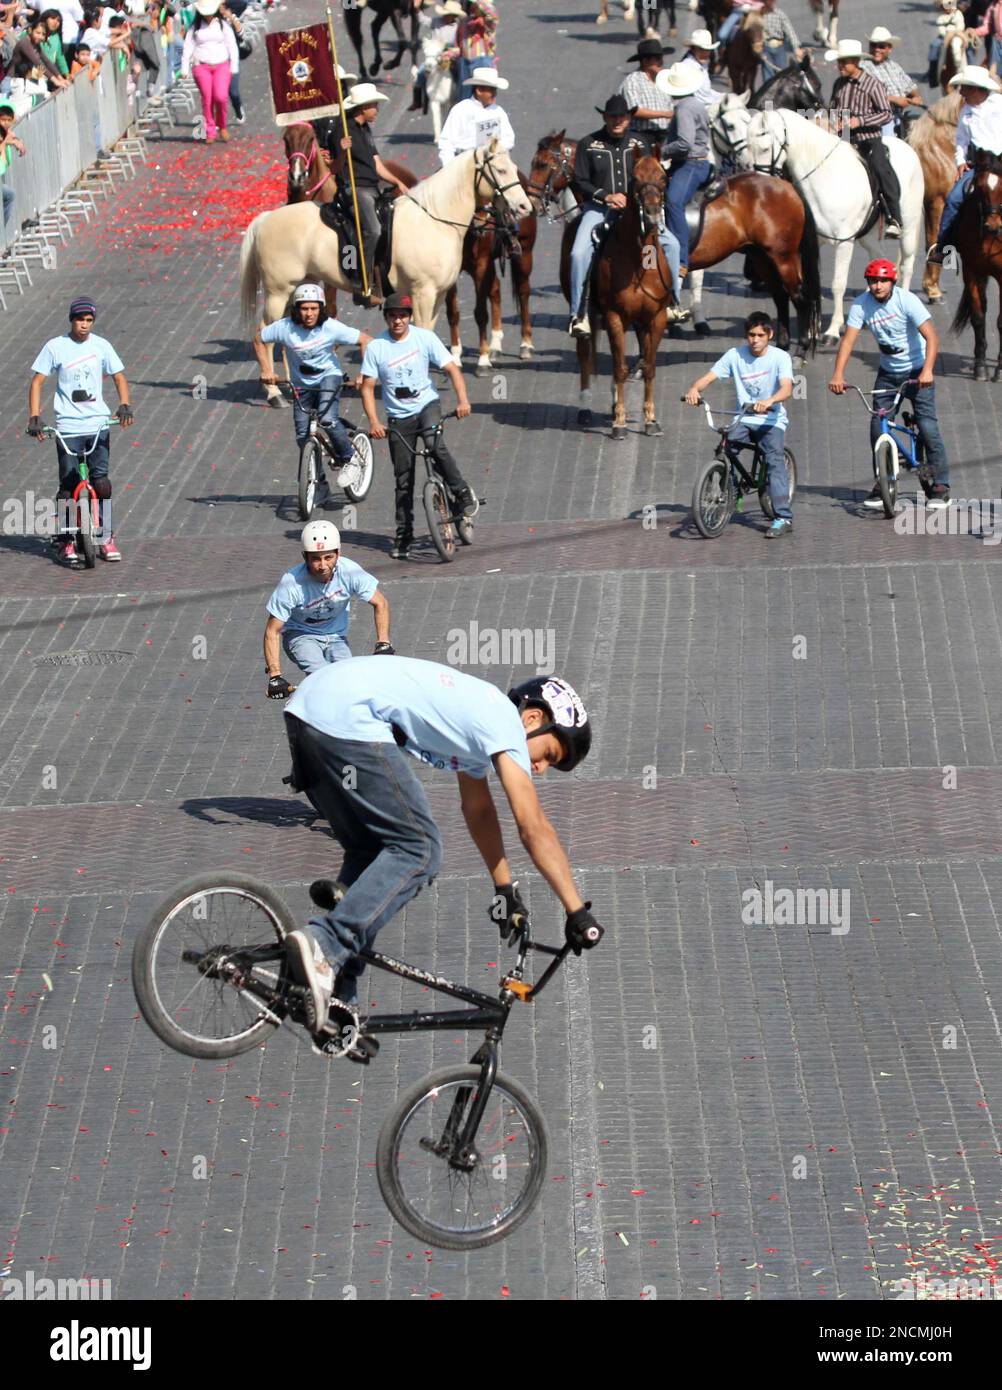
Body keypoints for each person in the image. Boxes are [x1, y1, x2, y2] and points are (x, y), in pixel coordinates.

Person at [282, 660, 601, 1036]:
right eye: (549, 754)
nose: (541, 769)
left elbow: (479, 809)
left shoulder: (479, 724)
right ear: (532, 719)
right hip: (346, 719)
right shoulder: (501, 719)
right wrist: (576, 911)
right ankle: (325, 944)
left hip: (310, 714)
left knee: (371, 855)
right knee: (420, 849)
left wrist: (505, 890)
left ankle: (332, 991)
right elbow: (533, 826)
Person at [359, 290, 477, 560]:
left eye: (402, 315)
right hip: (399, 418)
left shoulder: (424, 338)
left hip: (427, 407)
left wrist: (463, 400)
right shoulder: (377, 347)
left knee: (436, 446)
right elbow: (367, 387)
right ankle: (404, 535)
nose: (397, 321)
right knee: (403, 479)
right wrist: (375, 422)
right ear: (386, 318)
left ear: (410, 317)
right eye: (392, 316)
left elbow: (452, 369)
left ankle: (460, 491)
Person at [828, 258, 950, 510]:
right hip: (888, 373)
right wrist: (837, 374)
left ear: (892, 281)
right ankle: (882, 480)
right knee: (877, 426)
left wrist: (928, 370)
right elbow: (848, 341)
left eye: (883, 281)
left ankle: (940, 485)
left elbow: (932, 338)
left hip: (917, 372)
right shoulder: (862, 305)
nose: (878, 286)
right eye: (873, 281)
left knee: (927, 426)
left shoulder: (907, 300)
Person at [27, 297, 133, 565]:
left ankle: (106, 536)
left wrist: (124, 405)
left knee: (102, 483)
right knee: (67, 488)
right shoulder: (56, 347)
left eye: (88, 321)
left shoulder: (102, 346)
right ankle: (65, 540)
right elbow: (38, 381)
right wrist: (35, 417)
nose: (84, 325)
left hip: (97, 425)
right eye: (79, 320)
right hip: (68, 429)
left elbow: (119, 376)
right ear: (71, 320)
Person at [253, 283, 372, 501]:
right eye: (304, 308)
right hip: (301, 384)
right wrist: (266, 370)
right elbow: (259, 339)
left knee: (327, 420)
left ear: (321, 308)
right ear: (297, 309)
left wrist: (365, 374)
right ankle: (321, 485)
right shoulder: (285, 327)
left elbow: (365, 340)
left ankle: (351, 458)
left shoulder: (331, 327)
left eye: (314, 308)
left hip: (329, 377)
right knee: (302, 435)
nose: (309, 314)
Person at [684, 310, 795, 538]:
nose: (754, 340)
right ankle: (731, 490)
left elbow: (787, 388)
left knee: (774, 462)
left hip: (771, 420)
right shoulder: (735, 355)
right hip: (744, 418)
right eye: (751, 335)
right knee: (726, 448)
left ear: (769, 335)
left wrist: (770, 400)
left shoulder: (780, 357)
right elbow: (709, 377)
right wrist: (695, 389)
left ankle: (783, 517)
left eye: (760, 335)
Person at [264, 521, 392, 695]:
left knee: (347, 677)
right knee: (322, 676)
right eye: (316, 559)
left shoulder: (350, 572)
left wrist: (383, 642)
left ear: (338, 554)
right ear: (305, 557)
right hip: (301, 635)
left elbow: (380, 603)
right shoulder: (291, 583)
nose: (323, 566)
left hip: (336, 636)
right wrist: (275, 675)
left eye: (328, 557)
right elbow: (272, 631)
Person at [321, 83, 411, 309]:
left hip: (373, 187)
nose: (377, 110)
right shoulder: (342, 130)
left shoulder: (365, 130)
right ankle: (361, 284)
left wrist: (397, 181)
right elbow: (334, 168)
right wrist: (341, 151)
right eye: (374, 105)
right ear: (362, 108)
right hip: (355, 188)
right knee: (373, 230)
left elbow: (376, 164)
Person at [568, 93, 650, 338]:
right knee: (578, 252)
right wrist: (606, 196)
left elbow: (648, 176)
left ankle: (669, 302)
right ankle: (578, 313)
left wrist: (633, 199)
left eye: (622, 117)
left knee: (663, 245)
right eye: (612, 117)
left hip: (634, 211)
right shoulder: (588, 144)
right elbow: (580, 180)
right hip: (599, 209)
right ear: (604, 117)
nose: (617, 121)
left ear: (628, 118)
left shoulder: (640, 143)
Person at [927, 65, 1002, 264]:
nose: (961, 92)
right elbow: (961, 141)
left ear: (976, 89)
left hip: (1001, 162)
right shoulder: (966, 112)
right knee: (953, 200)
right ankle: (944, 247)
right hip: (979, 165)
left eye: (965, 88)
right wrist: (960, 162)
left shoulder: (1000, 105)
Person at [827, 39, 902, 238]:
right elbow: (833, 110)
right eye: (839, 62)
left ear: (855, 62)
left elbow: (886, 113)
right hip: (844, 139)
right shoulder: (838, 84)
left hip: (869, 139)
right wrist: (832, 122)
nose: (840, 66)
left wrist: (859, 121)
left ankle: (894, 216)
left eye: (844, 62)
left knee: (879, 167)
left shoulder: (872, 84)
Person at [657, 61, 712, 280]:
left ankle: (680, 259)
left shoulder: (683, 108)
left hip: (691, 163)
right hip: (698, 161)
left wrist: (662, 151)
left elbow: (685, 143)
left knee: (672, 201)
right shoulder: (696, 103)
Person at [181, 0, 237, 144]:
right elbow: (188, 46)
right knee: (207, 98)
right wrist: (184, 67)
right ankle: (210, 130)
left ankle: (222, 125)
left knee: (221, 96)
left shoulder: (222, 25)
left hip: (221, 65)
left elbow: (232, 45)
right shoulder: (195, 27)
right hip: (201, 66)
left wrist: (234, 66)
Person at [437, 66, 513, 164]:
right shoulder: (461, 110)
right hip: (463, 163)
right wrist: (449, 166)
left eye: (495, 90)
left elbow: (509, 139)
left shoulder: (499, 111)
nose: (494, 94)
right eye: (491, 90)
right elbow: (446, 142)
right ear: (479, 91)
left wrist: (495, 149)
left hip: (493, 163)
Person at [860, 26, 925, 138]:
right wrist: (895, 99)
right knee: (889, 141)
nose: (876, 49)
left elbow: (911, 88)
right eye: (873, 45)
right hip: (879, 117)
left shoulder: (895, 66)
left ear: (889, 48)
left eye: (881, 46)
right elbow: (866, 96)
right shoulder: (864, 67)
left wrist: (915, 97)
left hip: (899, 115)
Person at [618, 36, 675, 137]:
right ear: (645, 61)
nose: (661, 62)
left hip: (664, 134)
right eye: (657, 59)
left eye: (661, 58)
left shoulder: (662, 80)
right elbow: (635, 110)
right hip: (642, 135)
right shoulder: (633, 80)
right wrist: (665, 114)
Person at [443, 0, 497, 91]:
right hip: (464, 63)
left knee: (483, 93)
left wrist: (479, 3)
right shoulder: (463, 23)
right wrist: (448, 54)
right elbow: (458, 47)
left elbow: (492, 17)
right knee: (464, 97)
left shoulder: (486, 22)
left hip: (482, 61)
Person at [759, 0, 804, 78]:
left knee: (783, 76)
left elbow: (790, 31)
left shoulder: (779, 14)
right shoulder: (760, 14)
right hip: (766, 49)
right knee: (768, 78)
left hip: (779, 48)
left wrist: (796, 48)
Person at [0, 98, 26, 230]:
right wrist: (10, 142)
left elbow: (11, 137)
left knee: (9, 195)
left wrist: (16, 141)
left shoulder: (7, 132)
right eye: (2, 119)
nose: (5, 123)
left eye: (8, 120)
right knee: (9, 195)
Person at [677, 28, 719, 108]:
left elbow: (706, 93)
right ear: (693, 49)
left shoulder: (702, 66)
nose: (705, 53)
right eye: (702, 49)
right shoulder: (687, 67)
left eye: (708, 50)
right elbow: (701, 98)